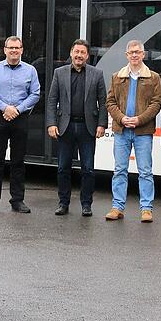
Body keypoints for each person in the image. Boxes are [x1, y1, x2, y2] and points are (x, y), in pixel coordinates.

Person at [45, 39, 108, 217]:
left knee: (88, 169)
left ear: (87, 56)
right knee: (63, 168)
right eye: (76, 51)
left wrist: (102, 124)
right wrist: (51, 123)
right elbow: (52, 100)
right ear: (71, 53)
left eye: (83, 52)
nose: (79, 55)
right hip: (65, 127)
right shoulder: (59, 73)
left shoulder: (97, 74)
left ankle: (86, 205)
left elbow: (103, 102)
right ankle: (63, 203)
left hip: (88, 127)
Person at [0, 36, 40, 214]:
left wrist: (18, 110)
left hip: (20, 118)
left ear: (22, 50)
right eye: (11, 48)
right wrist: (5, 108)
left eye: (17, 48)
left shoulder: (30, 70)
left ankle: (17, 200)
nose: (14, 51)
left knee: (18, 161)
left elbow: (35, 94)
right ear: (5, 50)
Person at [105, 40, 161, 222]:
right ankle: (117, 207)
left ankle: (146, 209)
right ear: (127, 55)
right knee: (119, 170)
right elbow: (110, 102)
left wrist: (139, 119)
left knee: (145, 171)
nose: (135, 55)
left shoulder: (153, 77)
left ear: (143, 54)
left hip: (143, 131)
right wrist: (121, 118)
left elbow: (156, 103)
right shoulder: (117, 77)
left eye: (138, 52)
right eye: (131, 52)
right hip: (121, 130)